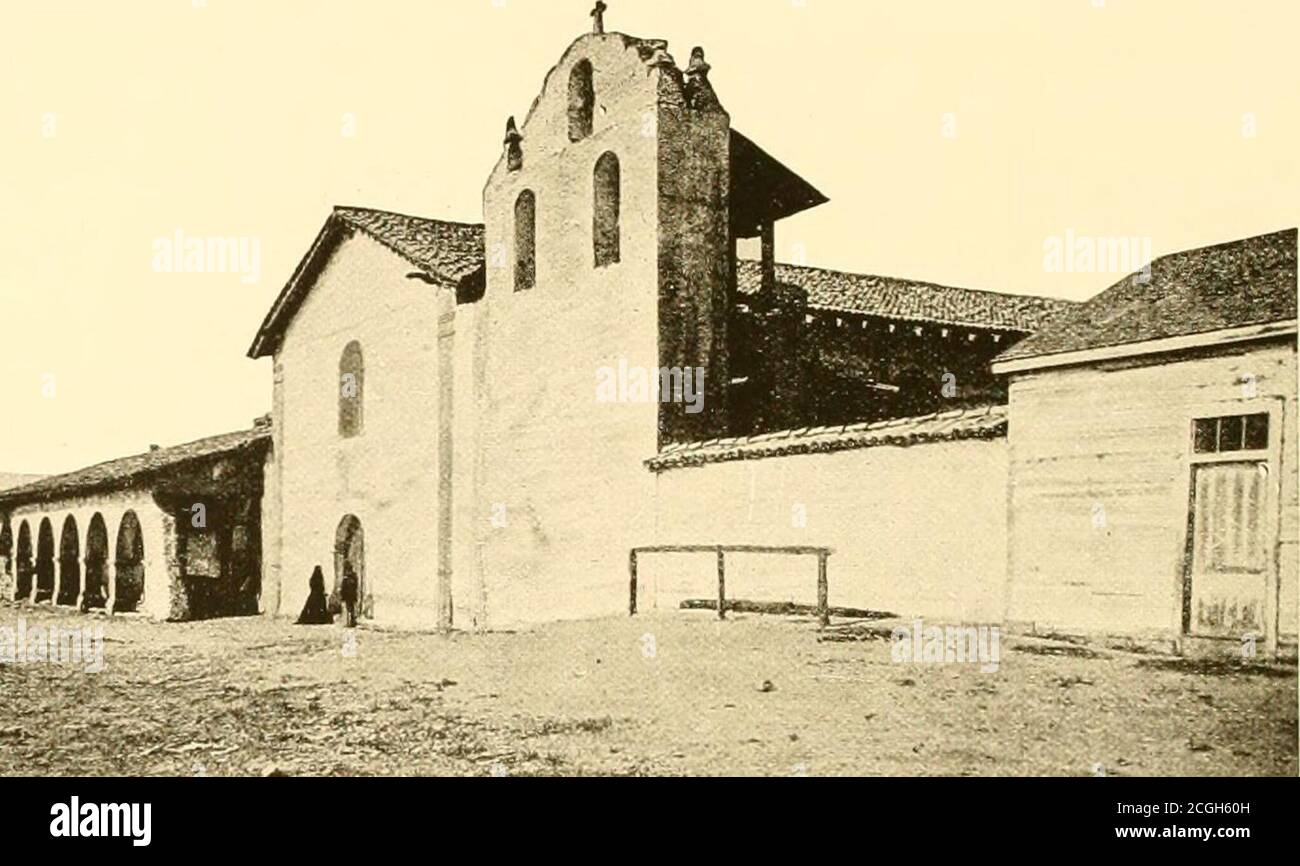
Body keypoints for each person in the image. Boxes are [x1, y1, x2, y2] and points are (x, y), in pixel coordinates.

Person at [340, 562, 360, 628]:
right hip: (350, 595)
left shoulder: (348, 577)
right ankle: (351, 621)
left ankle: (351, 621)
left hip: (349, 595)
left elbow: (344, 587)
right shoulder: (352, 576)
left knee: (350, 608)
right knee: (350, 608)